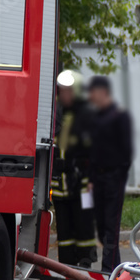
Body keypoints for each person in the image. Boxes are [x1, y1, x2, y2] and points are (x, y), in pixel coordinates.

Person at [87, 75, 133, 273]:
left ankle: (107, 272)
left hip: (114, 177)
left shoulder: (119, 116)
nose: (90, 96)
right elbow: (92, 151)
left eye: (93, 92)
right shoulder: (96, 118)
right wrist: (90, 178)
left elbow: (126, 150)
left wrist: (119, 175)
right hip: (97, 179)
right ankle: (117, 268)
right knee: (102, 226)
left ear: (103, 92)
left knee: (111, 226)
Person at [52, 70, 98, 267]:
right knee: (64, 228)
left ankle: (85, 262)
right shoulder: (54, 114)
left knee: (84, 224)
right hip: (60, 184)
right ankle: (67, 265)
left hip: (84, 184)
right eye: (62, 90)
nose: (65, 95)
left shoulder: (87, 114)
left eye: (69, 90)